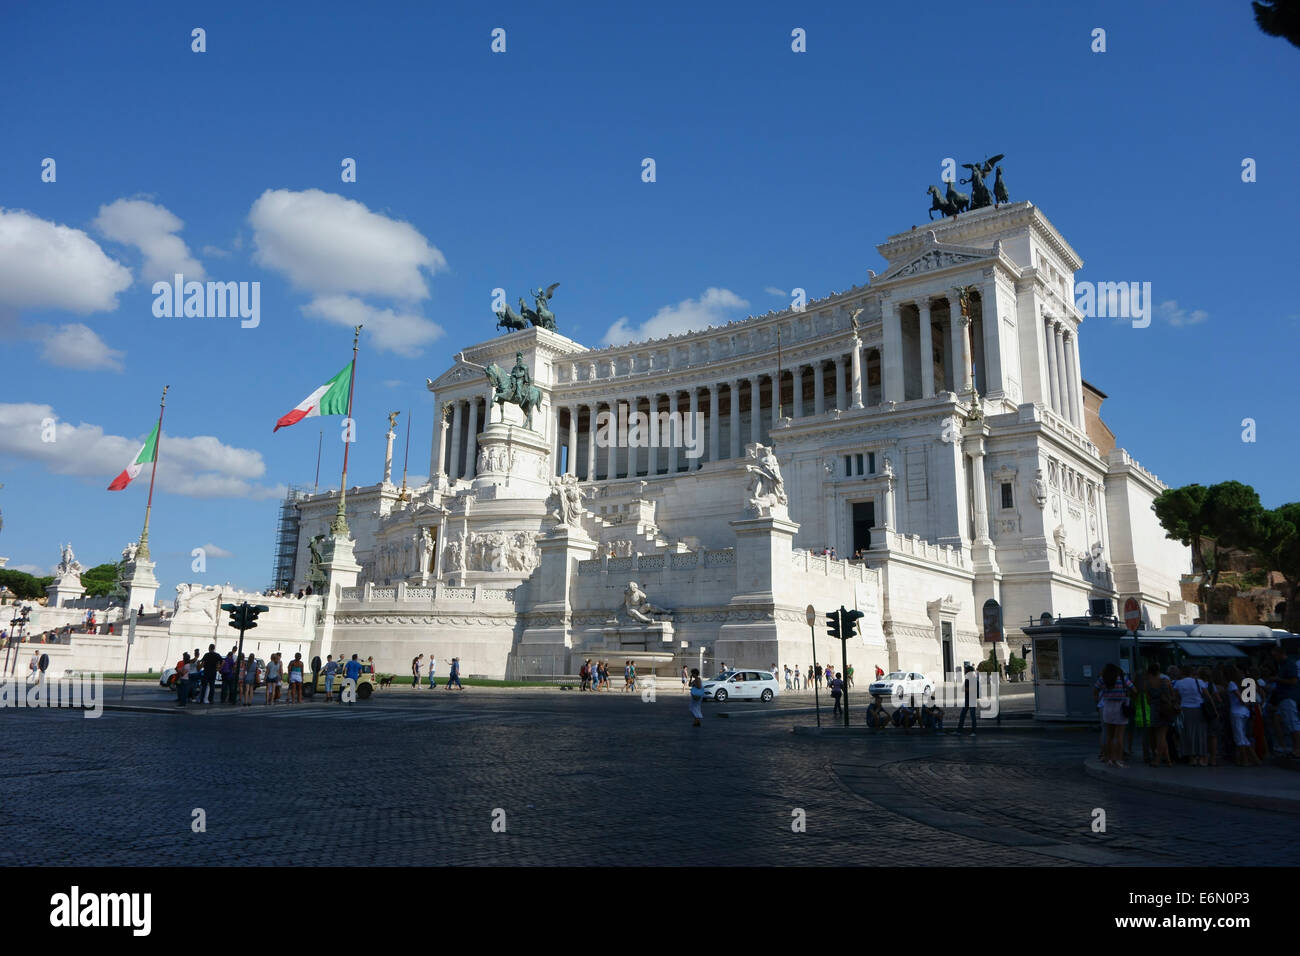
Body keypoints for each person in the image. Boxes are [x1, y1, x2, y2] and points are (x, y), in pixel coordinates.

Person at [1094, 662, 1136, 767]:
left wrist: (1097, 700)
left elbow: (1095, 690)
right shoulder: (1122, 679)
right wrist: (1128, 696)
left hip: (1107, 707)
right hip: (1120, 707)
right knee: (1119, 736)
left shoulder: (1102, 679)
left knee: (1109, 736)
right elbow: (1134, 690)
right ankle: (1118, 759)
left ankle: (1108, 758)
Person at [1172, 666, 1210, 766]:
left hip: (1185, 709)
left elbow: (1175, 697)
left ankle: (1191, 757)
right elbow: (1207, 696)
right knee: (1200, 733)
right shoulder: (1199, 682)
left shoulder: (1178, 683)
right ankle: (1201, 757)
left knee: (1188, 733)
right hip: (1199, 709)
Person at [1226, 665, 1261, 767]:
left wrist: (1244, 701)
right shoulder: (1245, 682)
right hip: (1245, 712)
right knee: (1243, 736)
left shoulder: (1232, 684)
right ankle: (1254, 759)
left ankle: (1245, 759)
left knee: (1239, 737)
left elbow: (1240, 698)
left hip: (1236, 711)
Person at [1143, 663, 1175, 767]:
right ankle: (1168, 760)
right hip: (1166, 709)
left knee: (1159, 736)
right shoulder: (1165, 681)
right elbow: (1172, 695)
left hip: (1155, 710)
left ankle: (1157, 759)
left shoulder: (1148, 683)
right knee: (1162, 736)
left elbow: (1148, 700)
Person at [1271, 644, 1300, 758]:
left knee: (1293, 723)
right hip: (1284, 697)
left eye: (1275, 655)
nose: (1274, 658)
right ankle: (1295, 748)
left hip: (1288, 697)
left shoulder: (1289, 665)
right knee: (1289, 723)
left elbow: (1293, 681)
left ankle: (1297, 749)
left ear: (1281, 654)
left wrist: (1277, 679)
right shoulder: (1283, 665)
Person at [956, 664, 979, 735]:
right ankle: (959, 730)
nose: (965, 673)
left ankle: (973, 731)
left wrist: (969, 689)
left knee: (972, 716)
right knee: (963, 715)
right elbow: (964, 689)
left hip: (971, 699)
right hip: (968, 699)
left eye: (966, 671)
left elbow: (968, 689)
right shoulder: (970, 680)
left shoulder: (973, 680)